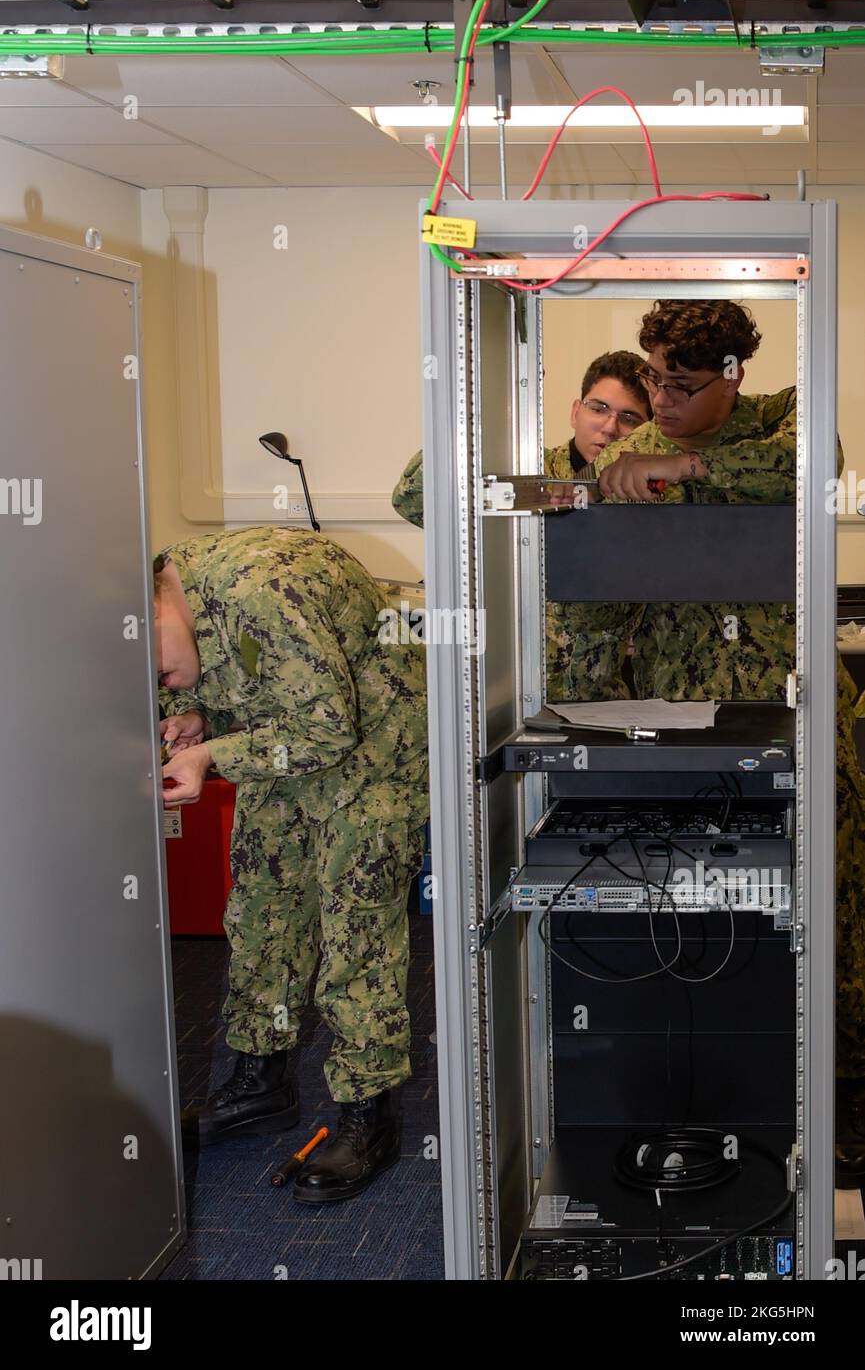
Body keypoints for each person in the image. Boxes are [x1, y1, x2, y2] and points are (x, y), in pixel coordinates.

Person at [589, 299, 865, 1185]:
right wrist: (670, 457)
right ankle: (720, 1090)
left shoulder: (785, 413)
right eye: (654, 376)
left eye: (681, 383)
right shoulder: (637, 447)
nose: (658, 399)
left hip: (797, 703)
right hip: (687, 715)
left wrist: (693, 468)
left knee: (835, 899)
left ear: (732, 378)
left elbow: (813, 463)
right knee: (709, 905)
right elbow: (627, 471)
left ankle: (843, 1087)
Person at [155, 525, 428, 1202]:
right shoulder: (173, 581)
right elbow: (224, 674)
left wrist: (214, 755)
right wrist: (191, 707)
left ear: (153, 610)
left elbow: (329, 727)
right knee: (261, 916)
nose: (157, 682)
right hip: (281, 748)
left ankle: (368, 1116)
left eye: (156, 672)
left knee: (353, 935)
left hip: (375, 751)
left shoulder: (259, 590)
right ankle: (259, 1083)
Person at [392, 350, 652, 698]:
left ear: (648, 431)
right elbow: (412, 498)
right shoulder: (522, 469)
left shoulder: (648, 498)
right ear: (576, 411)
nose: (609, 427)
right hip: (500, 701)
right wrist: (483, 411)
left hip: (598, 705)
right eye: (598, 408)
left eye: (629, 418)